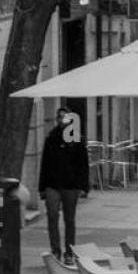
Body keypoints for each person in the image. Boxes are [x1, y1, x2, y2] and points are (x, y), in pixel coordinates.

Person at [38, 107, 90, 259]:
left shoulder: (77, 140)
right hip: (52, 185)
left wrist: (83, 187)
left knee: (69, 219)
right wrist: (42, 187)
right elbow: (45, 164)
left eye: (64, 117)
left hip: (71, 185)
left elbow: (83, 165)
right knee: (52, 216)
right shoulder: (51, 139)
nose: (61, 120)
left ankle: (69, 251)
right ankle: (55, 249)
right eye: (59, 117)